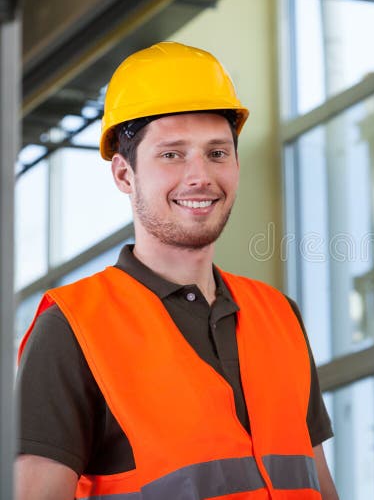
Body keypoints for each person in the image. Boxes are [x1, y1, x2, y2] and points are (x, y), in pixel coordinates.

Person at [15, 42, 338, 500]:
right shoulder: (72, 328)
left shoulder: (279, 316)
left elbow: (318, 484)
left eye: (217, 153)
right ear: (125, 175)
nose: (200, 176)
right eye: (172, 154)